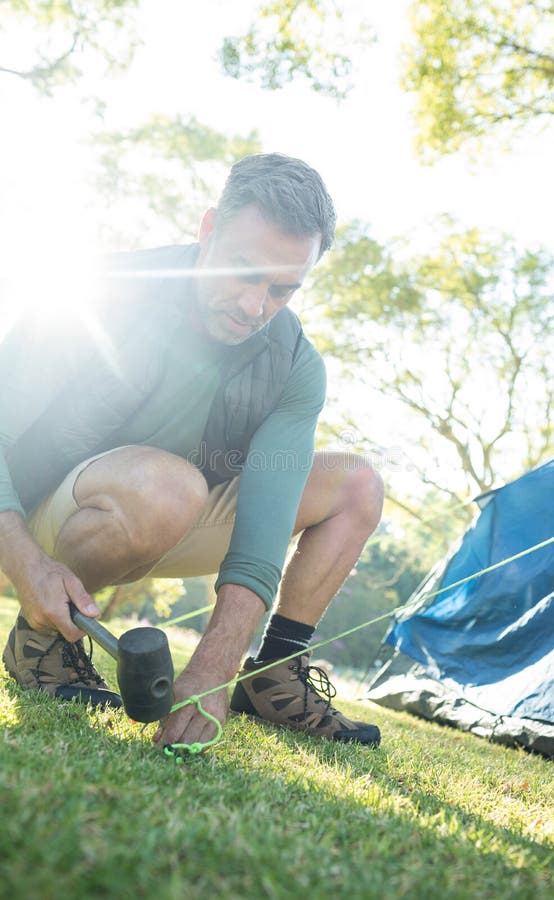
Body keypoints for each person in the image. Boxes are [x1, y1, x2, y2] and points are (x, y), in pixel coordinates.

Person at [0, 153, 384, 750]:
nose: (255, 307)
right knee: (168, 485)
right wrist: (26, 564)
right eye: (244, 271)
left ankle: (273, 674)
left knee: (356, 483)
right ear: (208, 230)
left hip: (170, 512)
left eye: (282, 289)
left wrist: (216, 667)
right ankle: (41, 644)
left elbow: (265, 523)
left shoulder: (295, 364)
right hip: (33, 512)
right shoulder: (94, 293)